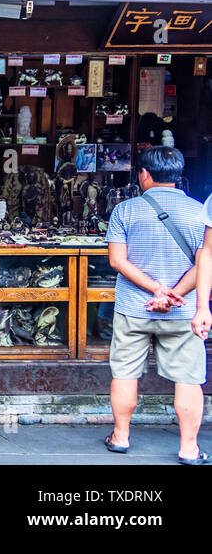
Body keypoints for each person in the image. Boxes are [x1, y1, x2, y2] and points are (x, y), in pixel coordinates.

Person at [104, 145, 206, 464]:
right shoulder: (199, 212)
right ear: (178, 176)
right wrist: (174, 293)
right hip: (183, 311)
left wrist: (156, 289)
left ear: (144, 175)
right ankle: (189, 448)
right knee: (188, 379)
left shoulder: (125, 210)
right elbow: (205, 261)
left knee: (124, 373)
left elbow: (117, 261)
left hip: (134, 308)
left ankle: (121, 436)